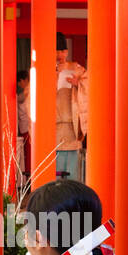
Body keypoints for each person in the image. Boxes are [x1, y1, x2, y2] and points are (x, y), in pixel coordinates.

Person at [54, 33, 89, 182]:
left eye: (63, 51)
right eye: (57, 50)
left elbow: (90, 87)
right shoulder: (42, 70)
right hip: (53, 127)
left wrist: (78, 84)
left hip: (72, 126)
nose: (60, 54)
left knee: (72, 173)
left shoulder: (76, 69)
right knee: (54, 172)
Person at [16, 71, 31, 184]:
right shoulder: (24, 93)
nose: (20, 85)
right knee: (27, 155)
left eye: (19, 82)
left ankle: (30, 179)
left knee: (29, 155)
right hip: (25, 128)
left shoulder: (29, 91)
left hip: (28, 128)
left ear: (23, 80)